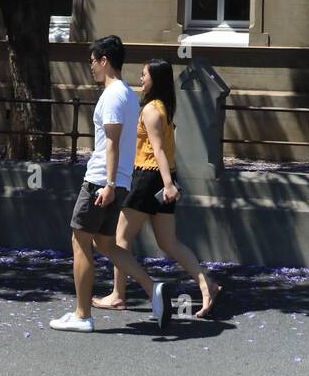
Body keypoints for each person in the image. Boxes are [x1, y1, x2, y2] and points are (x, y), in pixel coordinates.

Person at [49, 35, 176, 333]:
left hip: (100, 181)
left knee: (79, 241)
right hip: (117, 181)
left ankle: (82, 315)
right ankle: (152, 287)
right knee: (104, 243)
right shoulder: (129, 96)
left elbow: (112, 143)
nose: (91, 67)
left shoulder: (113, 95)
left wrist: (106, 184)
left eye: (93, 61)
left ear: (104, 61)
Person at [93, 58, 222, 320]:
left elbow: (158, 149)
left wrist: (167, 184)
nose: (140, 79)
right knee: (168, 242)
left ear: (156, 80)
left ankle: (118, 295)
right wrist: (169, 182)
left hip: (147, 178)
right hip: (162, 178)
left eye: (144, 75)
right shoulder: (163, 106)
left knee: (120, 239)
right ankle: (206, 282)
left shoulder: (152, 109)